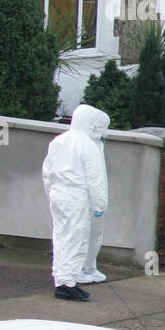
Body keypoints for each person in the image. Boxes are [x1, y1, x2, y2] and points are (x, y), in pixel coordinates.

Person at [42, 104, 110, 302]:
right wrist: (100, 206)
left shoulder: (59, 141)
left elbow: (47, 171)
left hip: (58, 193)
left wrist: (50, 194)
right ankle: (69, 283)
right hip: (76, 196)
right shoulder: (88, 145)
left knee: (61, 237)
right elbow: (95, 179)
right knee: (76, 239)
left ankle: (61, 279)